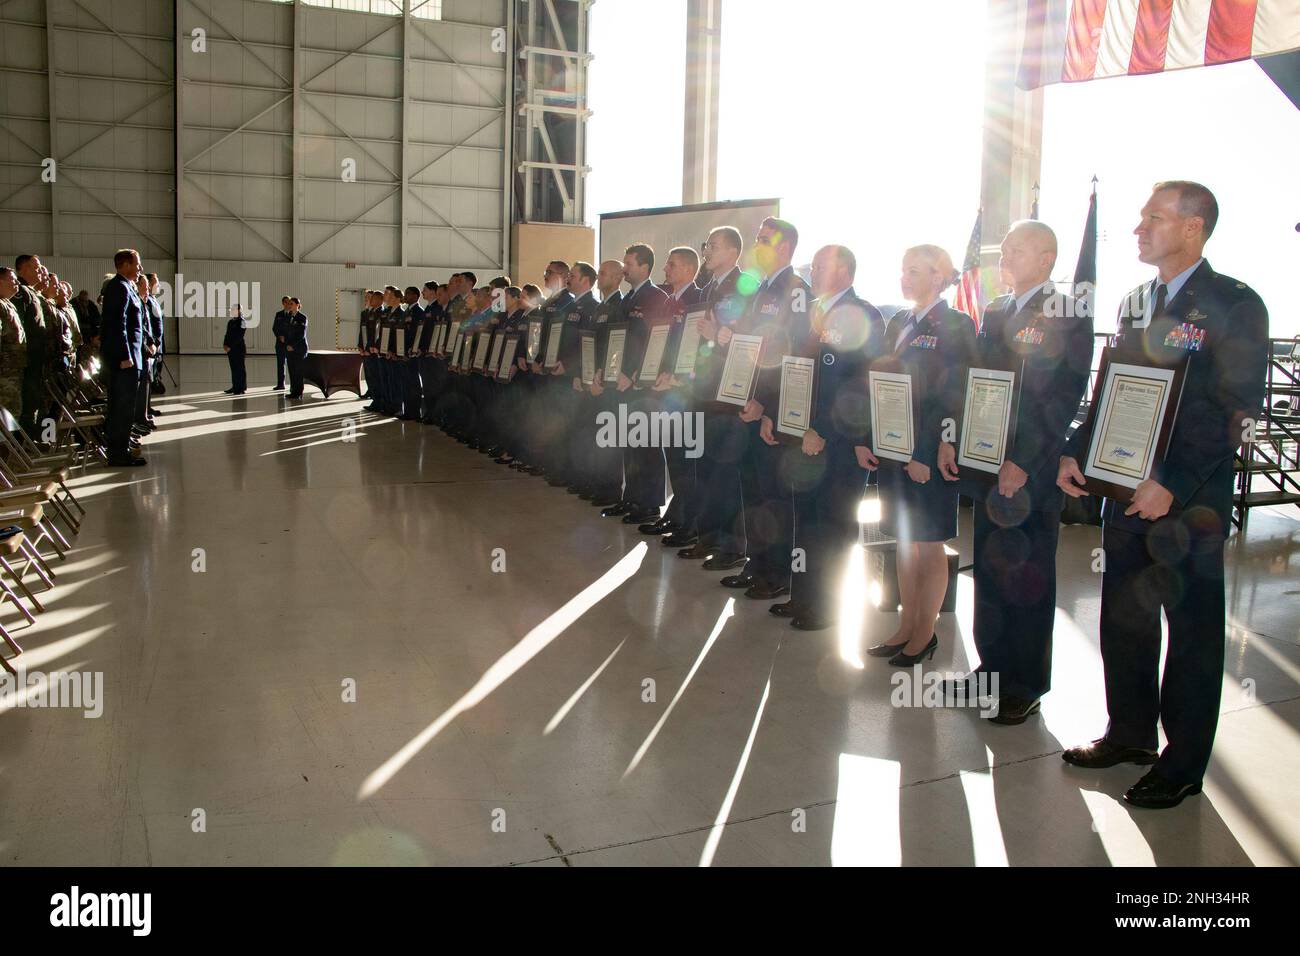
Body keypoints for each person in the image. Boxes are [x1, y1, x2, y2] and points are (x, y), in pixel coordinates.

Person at [1058, 181, 1269, 809]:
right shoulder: (1135, 302)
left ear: (1193, 227)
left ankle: (1181, 765)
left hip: (1188, 504)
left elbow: (1236, 413)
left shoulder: (1235, 304)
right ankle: (1128, 734)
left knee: (1193, 636)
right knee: (1124, 620)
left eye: (1155, 218)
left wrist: (1170, 482)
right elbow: (1112, 388)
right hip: (1124, 491)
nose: (1139, 228)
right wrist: (1079, 446)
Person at [939, 220, 1093, 723]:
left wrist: (1023, 461)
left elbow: (1062, 398)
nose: (1004, 256)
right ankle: (991, 670)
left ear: (1047, 258)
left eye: (1016, 249)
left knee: (1027, 577)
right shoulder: (997, 308)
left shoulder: (1066, 312)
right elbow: (977, 384)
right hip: (987, 462)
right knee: (990, 568)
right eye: (1003, 249)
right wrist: (957, 439)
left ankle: (1024, 683)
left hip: (1029, 470)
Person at [866, 245, 976, 663]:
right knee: (903, 542)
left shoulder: (956, 325)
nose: (904, 278)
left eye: (914, 271)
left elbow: (955, 395)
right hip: (894, 450)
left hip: (927, 454)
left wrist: (926, 453)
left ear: (939, 275)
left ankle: (925, 633)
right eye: (902, 269)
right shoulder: (899, 320)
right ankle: (905, 626)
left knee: (929, 546)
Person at [773, 245, 884, 629]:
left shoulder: (862, 315)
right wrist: (792, 422)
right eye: (814, 264)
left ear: (846, 272)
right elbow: (796, 371)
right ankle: (802, 595)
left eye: (822, 265)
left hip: (835, 442)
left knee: (833, 526)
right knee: (805, 522)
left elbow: (859, 385)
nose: (814, 270)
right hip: (802, 436)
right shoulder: (809, 314)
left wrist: (822, 429)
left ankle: (829, 607)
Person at [721, 218, 812, 599]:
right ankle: (756, 563)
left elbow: (793, 354)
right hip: (748, 404)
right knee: (753, 492)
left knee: (775, 498)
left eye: (763, 240)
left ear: (784, 247)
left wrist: (769, 406)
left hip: (770, 412)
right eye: (756, 239)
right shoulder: (760, 289)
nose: (756, 246)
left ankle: (778, 573)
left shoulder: (796, 291)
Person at [678, 225, 750, 565]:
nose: (707, 251)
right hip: (702, 391)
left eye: (714, 246)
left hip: (729, 396)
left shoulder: (745, 287)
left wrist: (719, 333)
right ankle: (706, 536)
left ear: (733, 252)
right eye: (706, 245)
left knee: (727, 476)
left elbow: (753, 339)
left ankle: (732, 546)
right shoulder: (706, 288)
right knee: (704, 470)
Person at [599, 245, 668, 523]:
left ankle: (650, 503)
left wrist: (637, 373)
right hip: (621, 381)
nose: (624, 268)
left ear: (645, 267)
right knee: (630, 445)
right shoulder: (628, 298)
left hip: (642, 384)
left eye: (629, 263)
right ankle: (632, 498)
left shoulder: (656, 297)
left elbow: (655, 342)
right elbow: (618, 339)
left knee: (647, 446)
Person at [642, 247, 704, 538]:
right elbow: (661, 344)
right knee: (675, 458)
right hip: (666, 391)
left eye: (672, 265)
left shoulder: (699, 300)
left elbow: (702, 351)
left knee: (687, 462)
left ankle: (689, 523)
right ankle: (677, 515)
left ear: (689, 270)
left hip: (687, 393)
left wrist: (681, 377)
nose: (665, 270)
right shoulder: (669, 301)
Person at [100, 249, 148, 466]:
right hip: (124, 361)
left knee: (126, 408)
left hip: (133, 358)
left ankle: (122, 446)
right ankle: (117, 454)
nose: (139, 269)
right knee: (121, 407)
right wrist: (125, 355)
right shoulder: (118, 287)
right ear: (125, 265)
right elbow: (116, 325)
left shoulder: (127, 287)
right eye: (137, 264)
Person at [0, 268, 28, 417]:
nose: (17, 282)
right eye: (12, 279)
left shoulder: (8, 304)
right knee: (6, 414)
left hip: (13, 371)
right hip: (4, 374)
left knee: (12, 414)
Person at [284, 297, 309, 399]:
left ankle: (299, 392)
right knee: (292, 371)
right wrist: (287, 344)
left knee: (298, 372)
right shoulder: (288, 316)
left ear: (298, 305)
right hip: (289, 349)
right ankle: (293, 391)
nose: (290, 306)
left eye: (292, 304)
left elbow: (301, 334)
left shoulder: (302, 317)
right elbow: (286, 332)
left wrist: (292, 346)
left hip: (299, 348)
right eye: (289, 304)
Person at [223, 305, 248, 395]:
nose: (231, 311)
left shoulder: (242, 321)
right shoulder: (230, 322)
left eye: (233, 309)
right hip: (230, 349)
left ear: (238, 310)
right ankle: (235, 386)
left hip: (238, 349)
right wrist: (225, 344)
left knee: (240, 368)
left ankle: (241, 388)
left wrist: (230, 346)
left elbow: (239, 336)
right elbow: (227, 334)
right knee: (233, 368)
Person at [273, 296, 292, 390]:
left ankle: (293, 385)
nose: (288, 304)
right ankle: (281, 384)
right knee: (280, 364)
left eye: (290, 303)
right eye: (286, 302)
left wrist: (287, 338)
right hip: (280, 343)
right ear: (283, 303)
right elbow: (274, 328)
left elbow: (293, 330)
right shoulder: (279, 314)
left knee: (292, 365)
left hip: (289, 344)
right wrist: (279, 336)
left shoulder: (293, 314)